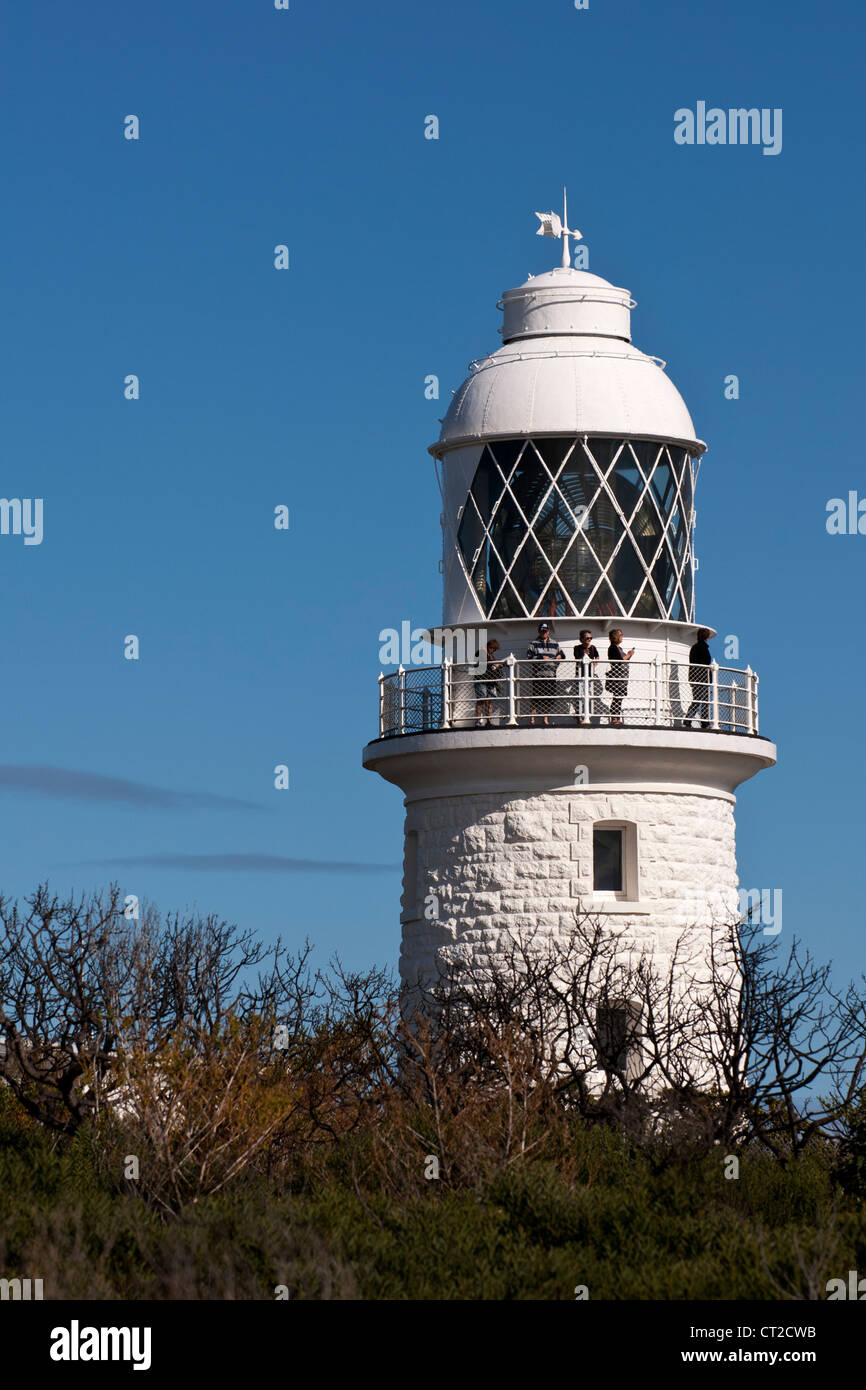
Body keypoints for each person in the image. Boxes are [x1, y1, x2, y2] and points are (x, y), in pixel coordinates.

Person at [526, 621, 565, 726]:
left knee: (548, 698)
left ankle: (545, 719)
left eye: (546, 631)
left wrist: (558, 657)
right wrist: (540, 657)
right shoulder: (533, 644)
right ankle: (532, 719)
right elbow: (528, 657)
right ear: (539, 632)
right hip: (538, 675)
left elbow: (562, 654)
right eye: (542, 631)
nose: (544, 633)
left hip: (551, 675)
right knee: (536, 698)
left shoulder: (555, 643)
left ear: (548, 631)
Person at [684, 627, 713, 729]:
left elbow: (693, 663)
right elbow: (704, 663)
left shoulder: (694, 647)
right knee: (704, 702)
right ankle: (704, 724)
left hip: (695, 678)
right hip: (703, 679)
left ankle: (687, 721)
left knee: (697, 700)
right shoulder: (703, 648)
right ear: (707, 637)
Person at [606, 628, 634, 725]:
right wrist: (628, 655)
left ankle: (617, 717)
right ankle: (614, 718)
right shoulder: (613, 647)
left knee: (620, 697)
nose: (622, 636)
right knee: (617, 697)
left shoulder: (619, 648)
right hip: (617, 677)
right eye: (621, 635)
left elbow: (623, 659)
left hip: (622, 677)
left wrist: (629, 656)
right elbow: (618, 660)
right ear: (616, 637)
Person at [573, 629, 600, 725]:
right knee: (579, 696)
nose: (589, 640)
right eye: (587, 638)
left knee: (587, 696)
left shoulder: (593, 648)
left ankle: (585, 715)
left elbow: (597, 656)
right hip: (580, 676)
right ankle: (579, 716)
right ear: (581, 639)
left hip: (589, 676)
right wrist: (584, 654)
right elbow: (577, 657)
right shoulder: (577, 648)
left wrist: (594, 663)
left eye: (590, 638)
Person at [474, 639, 503, 727]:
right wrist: (495, 664)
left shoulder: (490, 655)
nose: (494, 651)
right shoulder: (481, 653)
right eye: (493, 649)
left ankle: (488, 721)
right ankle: (478, 721)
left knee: (489, 701)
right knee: (481, 700)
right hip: (481, 680)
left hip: (490, 682)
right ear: (490, 647)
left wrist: (498, 665)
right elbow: (484, 664)